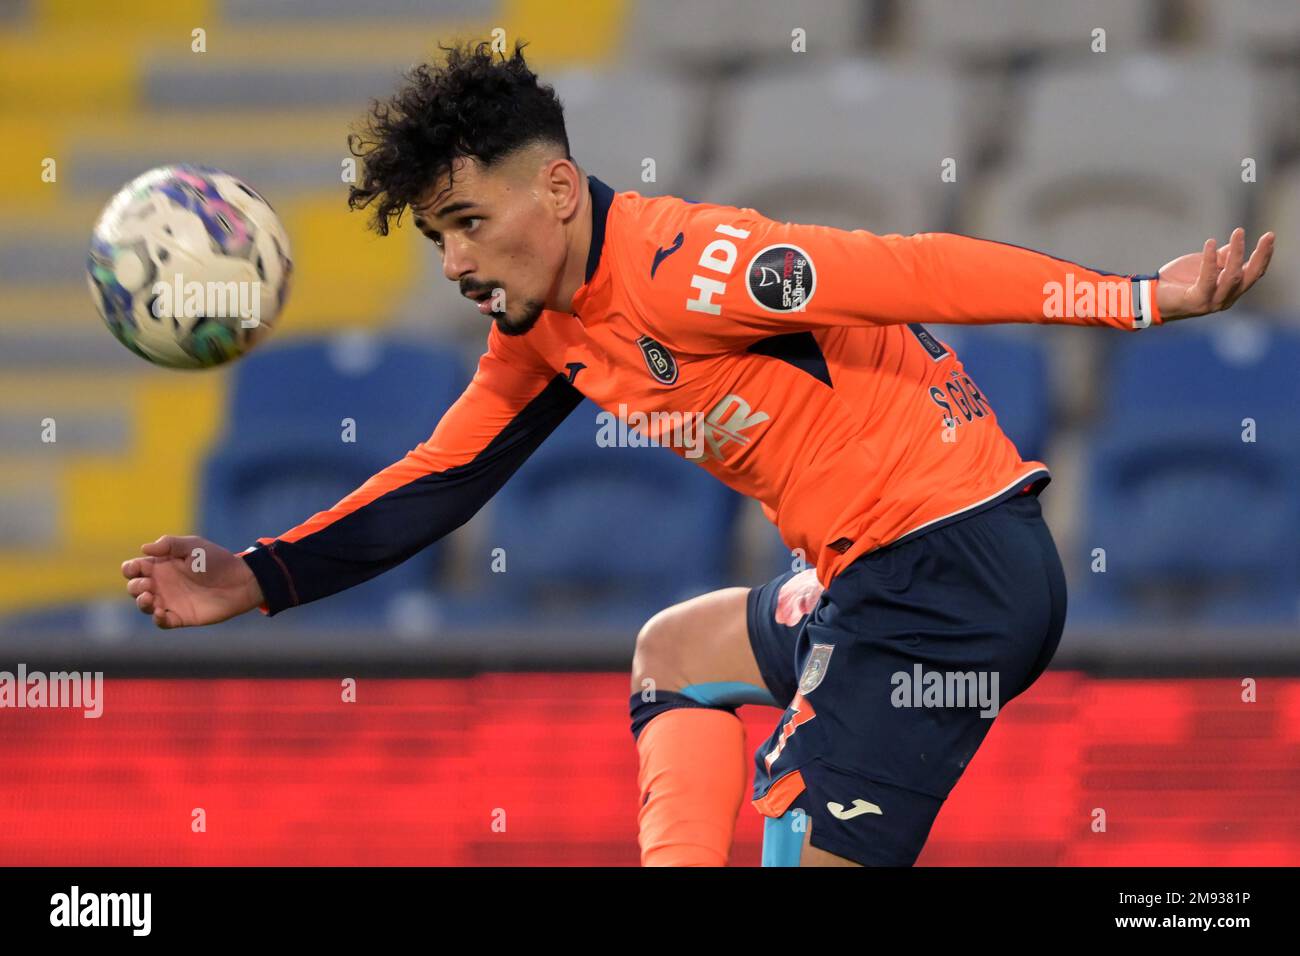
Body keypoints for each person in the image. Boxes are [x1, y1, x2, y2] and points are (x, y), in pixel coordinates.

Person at [121, 40, 1273, 867]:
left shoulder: (695, 265)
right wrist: (258, 575)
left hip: (943, 575)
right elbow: (441, 475)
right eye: (437, 238)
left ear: (559, 191)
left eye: (469, 223)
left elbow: (912, 266)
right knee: (677, 650)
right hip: (871, 580)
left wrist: (1130, 296)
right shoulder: (547, 331)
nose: (454, 262)